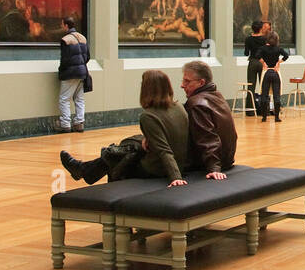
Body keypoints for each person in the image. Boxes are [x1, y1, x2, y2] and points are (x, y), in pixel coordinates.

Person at [59, 70, 190, 185]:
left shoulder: (148, 116)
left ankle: (85, 170)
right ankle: (84, 170)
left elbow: (163, 150)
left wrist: (175, 177)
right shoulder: (178, 107)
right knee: (128, 144)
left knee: (115, 157)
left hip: (156, 169)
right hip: (181, 162)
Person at [181, 61, 237, 179]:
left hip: (208, 163)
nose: (182, 85)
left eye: (187, 81)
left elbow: (206, 137)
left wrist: (214, 167)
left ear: (201, 82)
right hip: (226, 160)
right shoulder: (217, 96)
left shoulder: (196, 103)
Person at [56, 17, 89, 133]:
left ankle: (65, 124)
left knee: (64, 99)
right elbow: (87, 57)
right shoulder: (83, 38)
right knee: (79, 98)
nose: (61, 27)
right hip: (82, 72)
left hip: (70, 73)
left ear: (66, 25)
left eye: (62, 25)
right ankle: (79, 123)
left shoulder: (65, 39)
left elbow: (64, 59)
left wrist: (62, 71)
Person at [256, 32, 289, 122]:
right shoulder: (278, 49)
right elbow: (286, 55)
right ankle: (277, 117)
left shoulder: (263, 48)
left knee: (264, 95)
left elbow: (257, 55)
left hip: (266, 72)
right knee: (276, 96)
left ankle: (264, 117)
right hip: (275, 72)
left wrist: (263, 63)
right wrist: (278, 63)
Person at [243, 20, 268, 98]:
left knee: (251, 86)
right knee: (264, 85)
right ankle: (264, 106)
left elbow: (246, 53)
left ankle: (250, 108)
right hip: (262, 62)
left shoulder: (248, 39)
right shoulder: (265, 39)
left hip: (252, 62)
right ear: (261, 29)